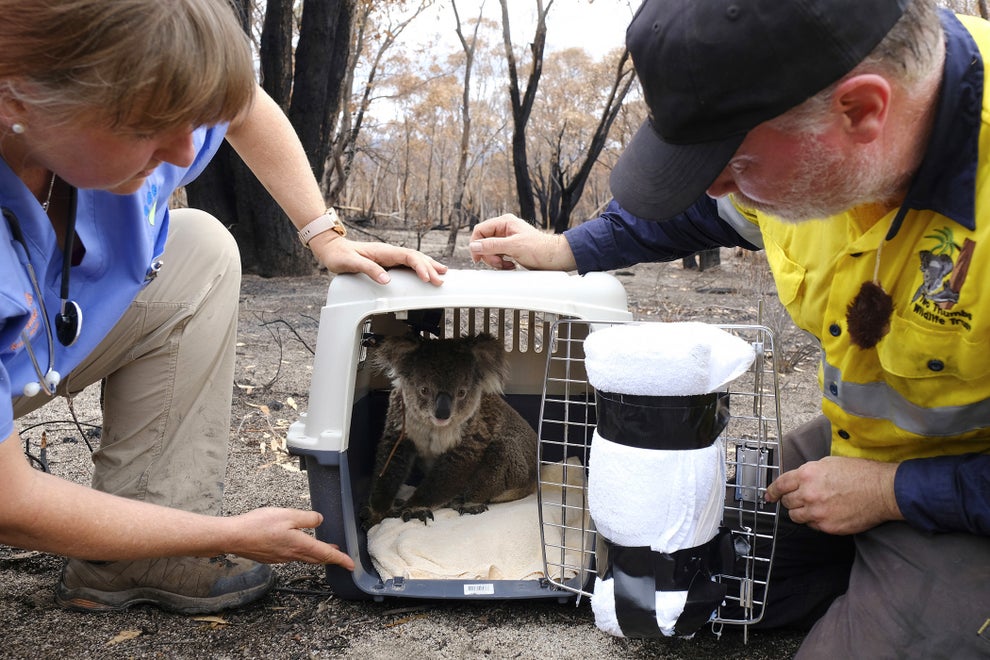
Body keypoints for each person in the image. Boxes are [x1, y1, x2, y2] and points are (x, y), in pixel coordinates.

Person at [470, 0, 990, 656]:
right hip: (865, 441)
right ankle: (874, 575)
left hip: (965, 474)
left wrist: (893, 492)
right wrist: (564, 249)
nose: (719, 189)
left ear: (861, 111)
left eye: (737, 164)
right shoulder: (811, 146)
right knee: (681, 577)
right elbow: (700, 216)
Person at [0, 0, 446, 615]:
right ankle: (166, 535)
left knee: (201, 246)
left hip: (46, 333)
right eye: (152, 126)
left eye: (193, 117)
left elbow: (243, 106)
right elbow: (8, 502)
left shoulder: (120, 129)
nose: (187, 153)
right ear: (17, 96)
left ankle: (140, 551)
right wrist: (228, 535)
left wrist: (324, 233)